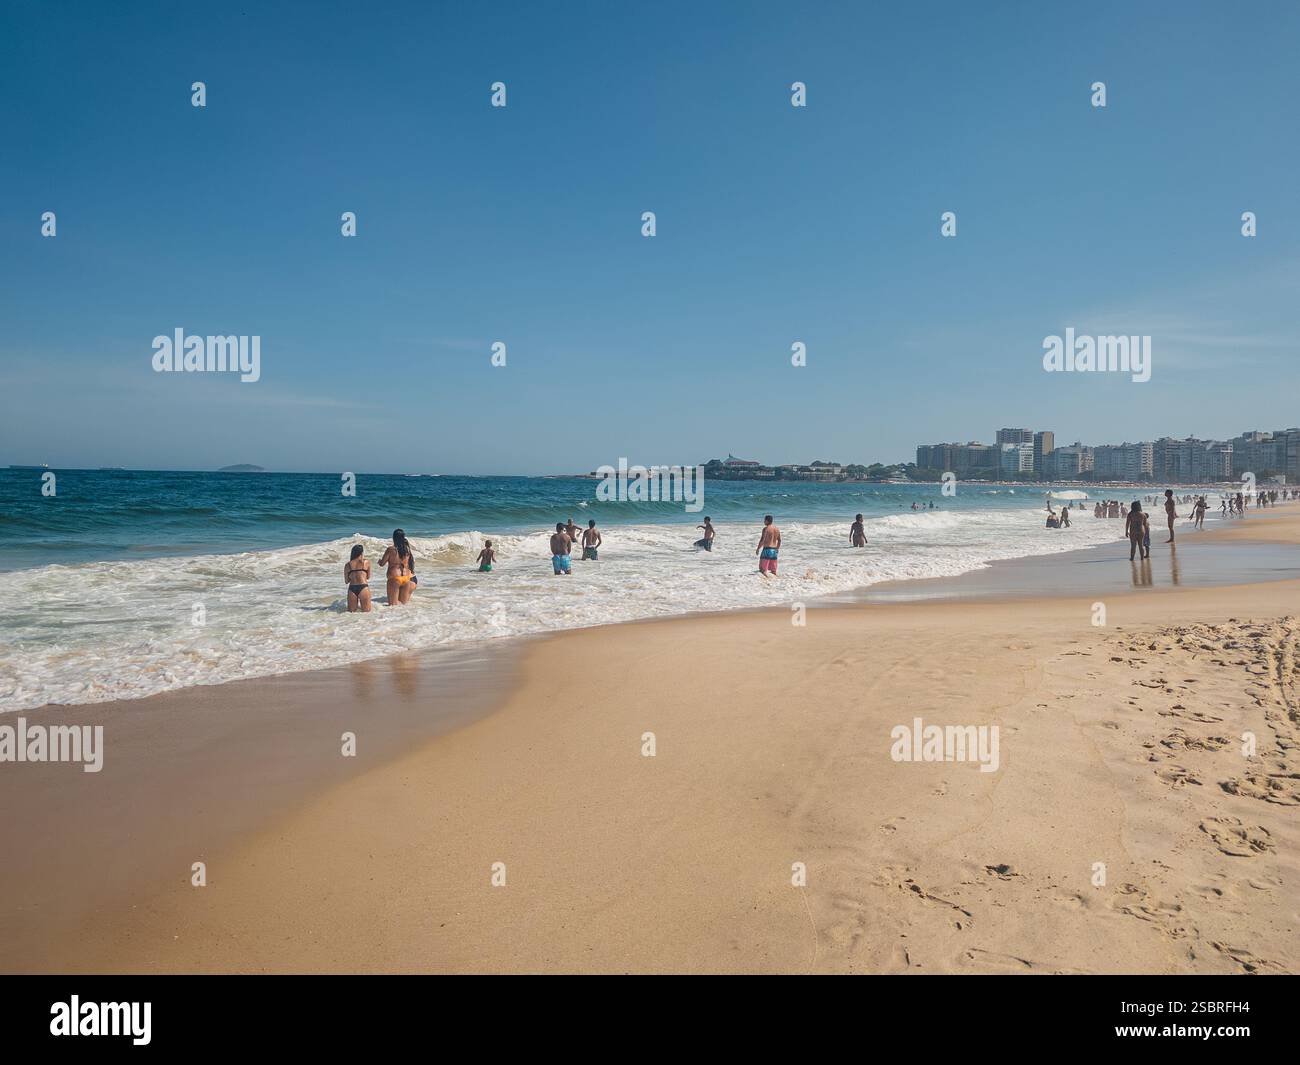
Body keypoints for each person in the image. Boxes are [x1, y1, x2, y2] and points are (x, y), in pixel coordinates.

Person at [378, 528, 417, 605]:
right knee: (402, 605)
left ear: (394, 538)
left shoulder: (391, 549)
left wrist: (379, 561)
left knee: (393, 605)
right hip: (406, 578)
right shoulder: (407, 549)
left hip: (395, 578)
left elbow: (382, 563)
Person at [344, 544, 372, 613]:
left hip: (352, 588)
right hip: (363, 587)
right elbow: (368, 577)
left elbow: (346, 581)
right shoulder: (366, 562)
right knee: (367, 613)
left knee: (351, 614)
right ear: (361, 553)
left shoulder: (348, 565)